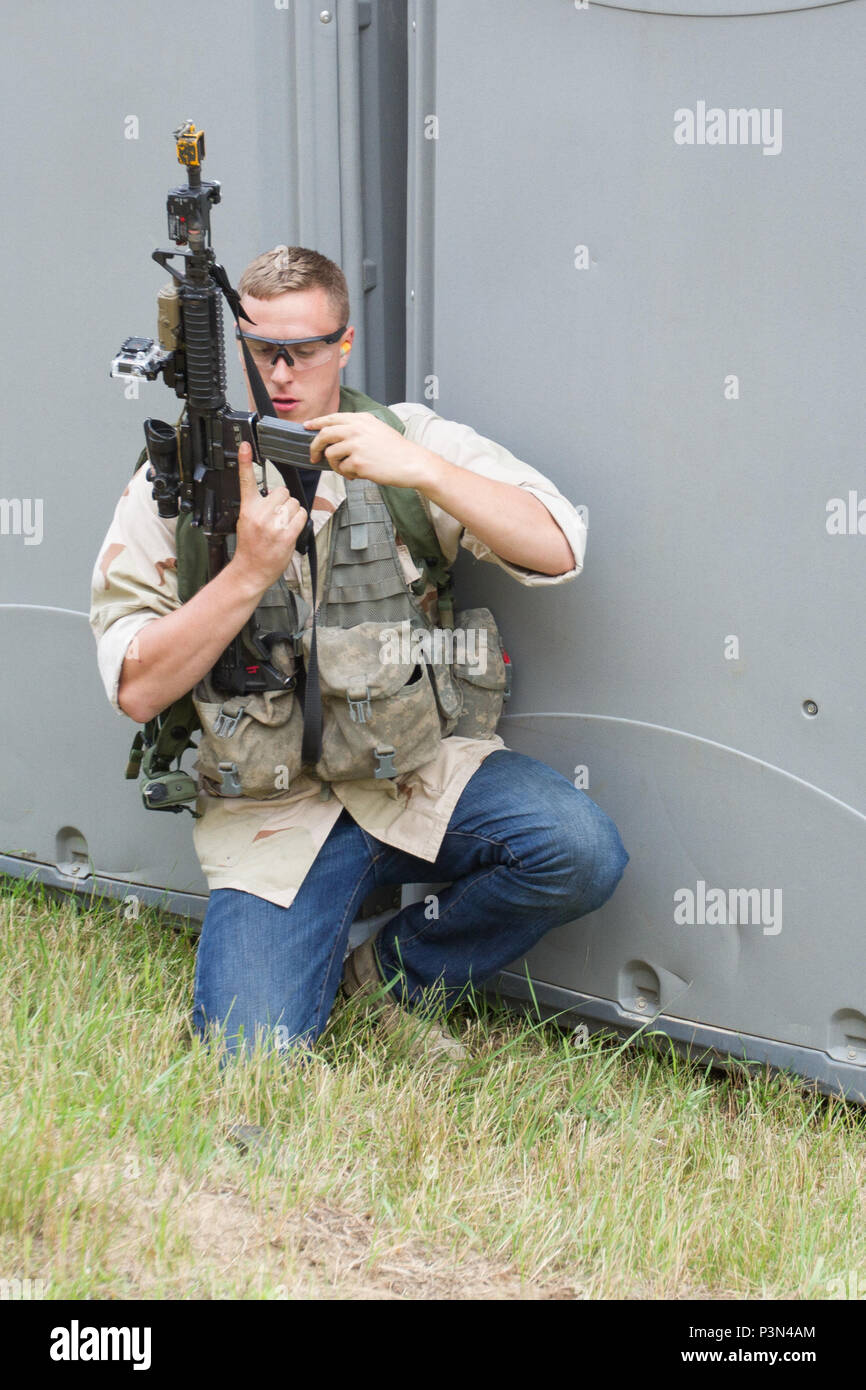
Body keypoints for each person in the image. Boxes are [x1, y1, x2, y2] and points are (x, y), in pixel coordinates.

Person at [90, 245, 628, 1066]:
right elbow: (135, 686)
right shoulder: (185, 481)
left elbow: (559, 546)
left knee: (577, 849)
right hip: (276, 811)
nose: (278, 372)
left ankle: (387, 977)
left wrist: (424, 470)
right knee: (252, 1059)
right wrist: (245, 574)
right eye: (259, 349)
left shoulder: (409, 438)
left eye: (302, 350)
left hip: (413, 773)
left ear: (343, 343)